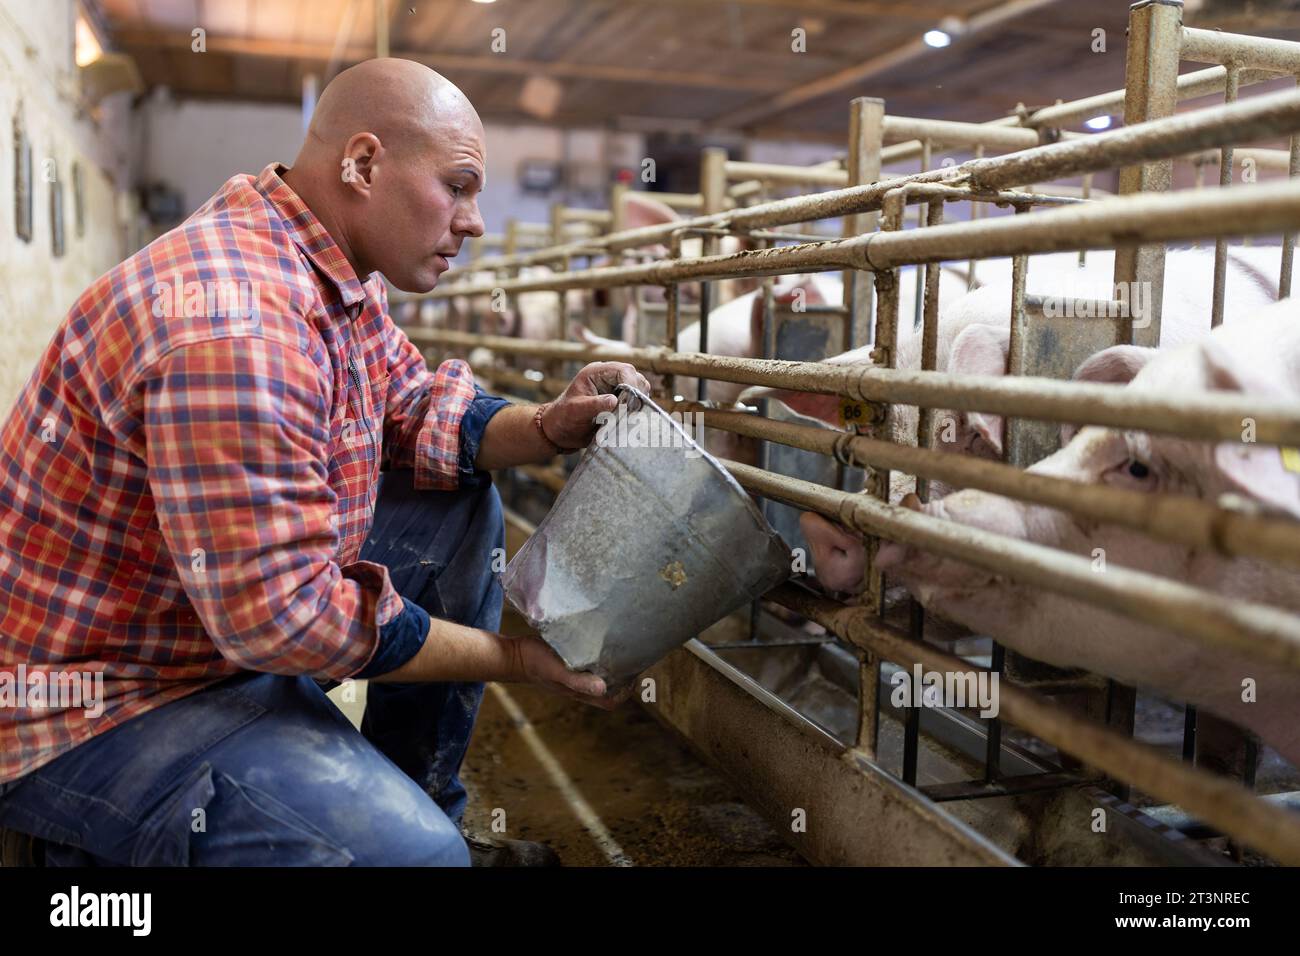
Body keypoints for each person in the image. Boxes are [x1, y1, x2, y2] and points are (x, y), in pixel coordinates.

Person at [0, 58, 648, 867]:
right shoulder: (241, 326)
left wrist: (552, 424)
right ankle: (73, 854)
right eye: (458, 186)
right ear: (364, 164)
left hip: (199, 633)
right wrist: (521, 659)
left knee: (456, 503)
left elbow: (414, 404)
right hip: (105, 700)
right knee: (414, 862)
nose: (475, 221)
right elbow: (288, 618)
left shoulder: (323, 264)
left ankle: (423, 809)